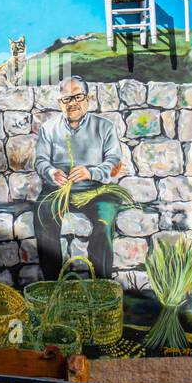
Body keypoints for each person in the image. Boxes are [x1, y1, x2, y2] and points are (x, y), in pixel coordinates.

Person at [33, 75, 125, 284]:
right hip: (58, 190)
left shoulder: (105, 127)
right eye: (67, 99)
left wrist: (91, 172)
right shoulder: (48, 128)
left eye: (78, 97)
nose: (72, 103)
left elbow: (114, 160)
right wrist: (51, 173)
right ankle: (53, 285)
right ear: (59, 103)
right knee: (42, 214)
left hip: (98, 191)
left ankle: (101, 286)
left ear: (88, 99)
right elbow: (40, 161)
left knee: (103, 225)